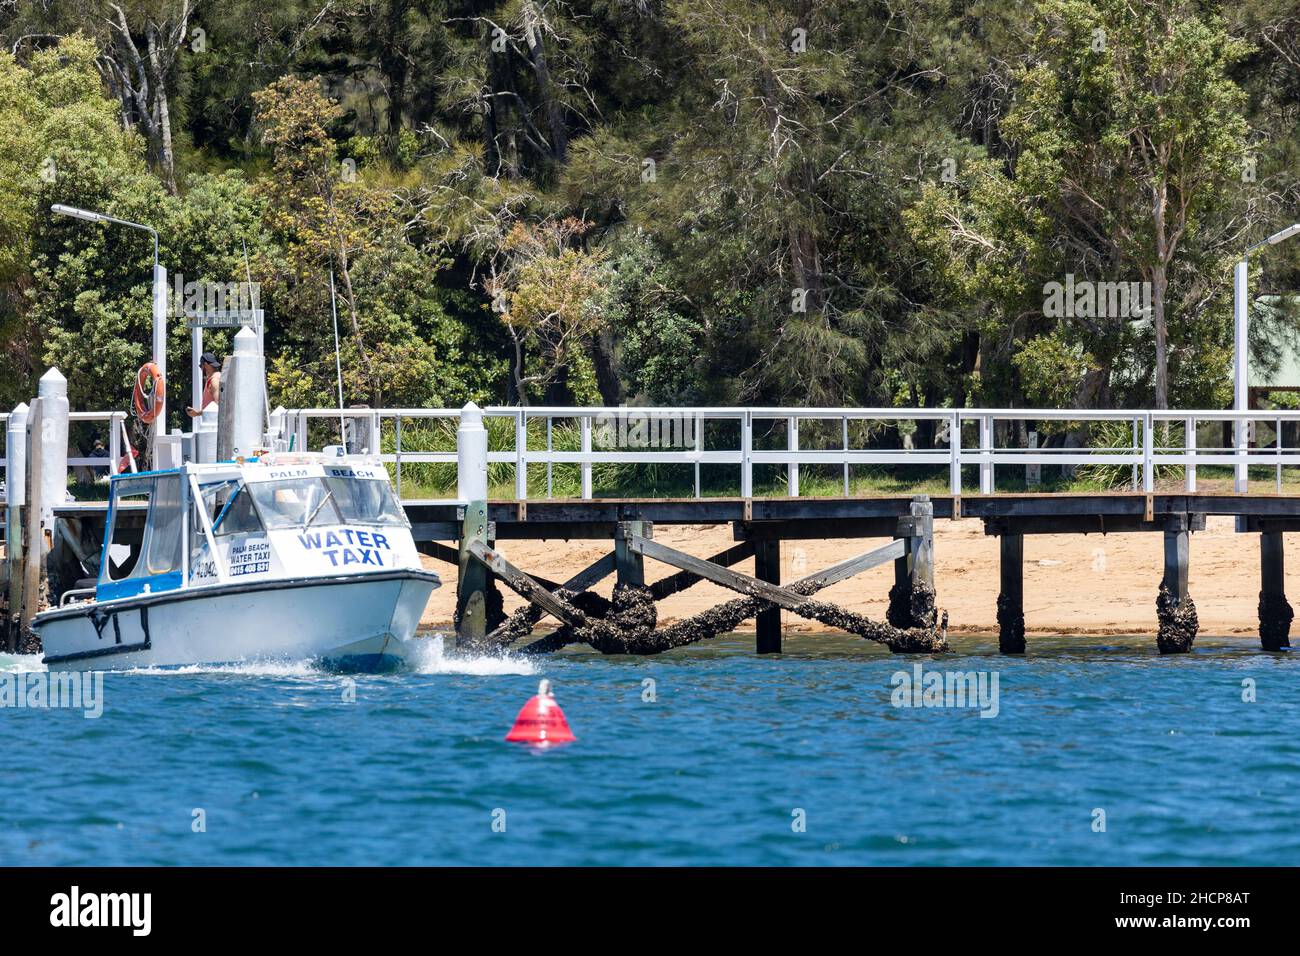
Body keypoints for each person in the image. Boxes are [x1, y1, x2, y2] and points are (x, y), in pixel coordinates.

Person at [186, 352, 221, 418]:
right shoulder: (216, 377)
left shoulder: (214, 381)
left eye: (200, 366)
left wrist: (197, 413)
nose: (201, 369)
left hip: (213, 423)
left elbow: (217, 406)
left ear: (205, 365)